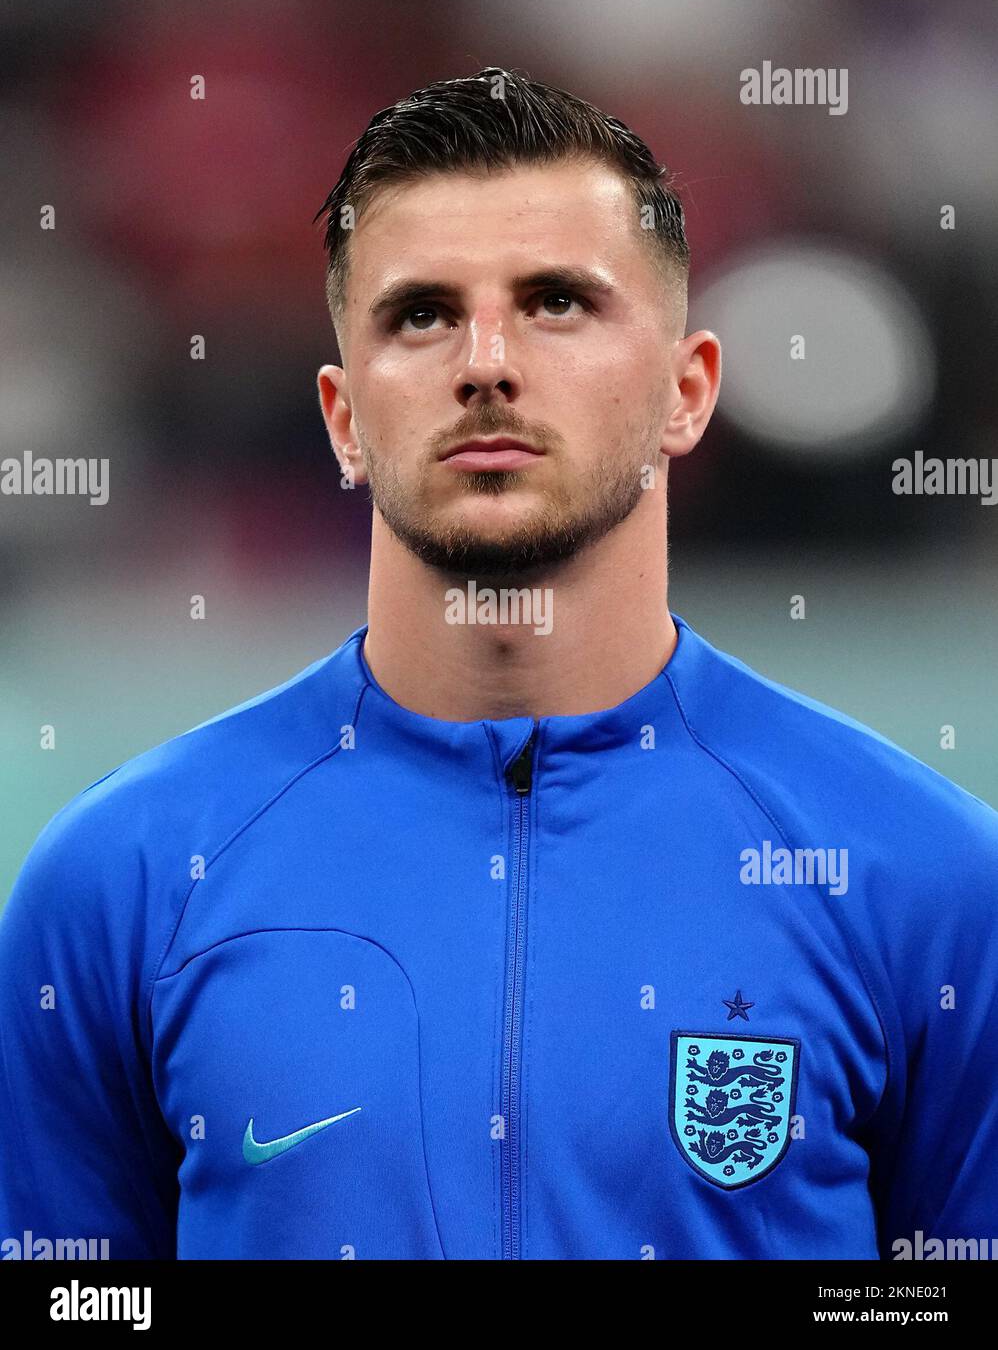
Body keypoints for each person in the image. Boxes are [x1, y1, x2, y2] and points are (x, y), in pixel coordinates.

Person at [2, 68, 996, 1262]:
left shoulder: (925, 882)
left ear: (687, 391)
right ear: (341, 417)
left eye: (556, 302)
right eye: (420, 313)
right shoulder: (122, 882)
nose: (485, 361)